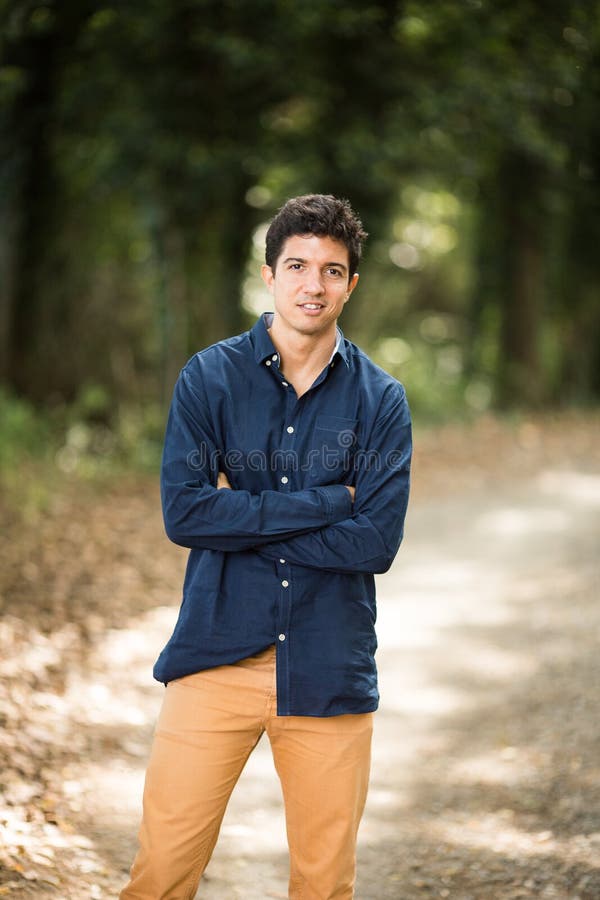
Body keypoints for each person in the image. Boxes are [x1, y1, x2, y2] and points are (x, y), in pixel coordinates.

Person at [120, 193, 412, 900]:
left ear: (351, 284)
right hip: (215, 655)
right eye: (298, 265)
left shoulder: (381, 400)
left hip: (329, 665)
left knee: (323, 886)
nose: (314, 284)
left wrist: (243, 516)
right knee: (160, 877)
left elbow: (373, 540)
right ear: (270, 275)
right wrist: (323, 501)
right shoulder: (209, 378)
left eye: (332, 271)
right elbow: (187, 514)